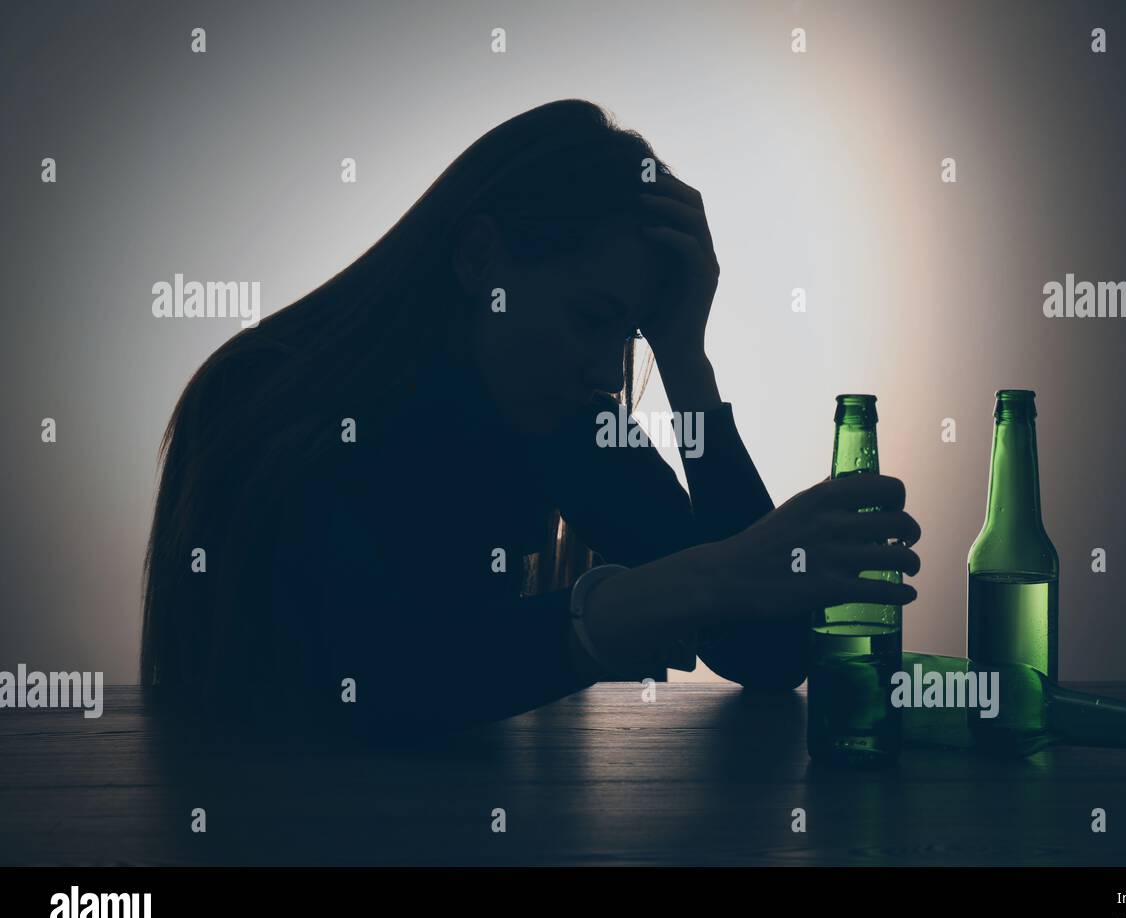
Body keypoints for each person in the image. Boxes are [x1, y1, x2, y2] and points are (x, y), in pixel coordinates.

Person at [140, 99, 921, 744]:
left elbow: (767, 649)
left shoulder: (557, 416)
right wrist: (688, 584)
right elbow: (363, 677)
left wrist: (687, 365)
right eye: (591, 318)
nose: (602, 369)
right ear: (480, 259)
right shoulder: (266, 394)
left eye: (627, 335)